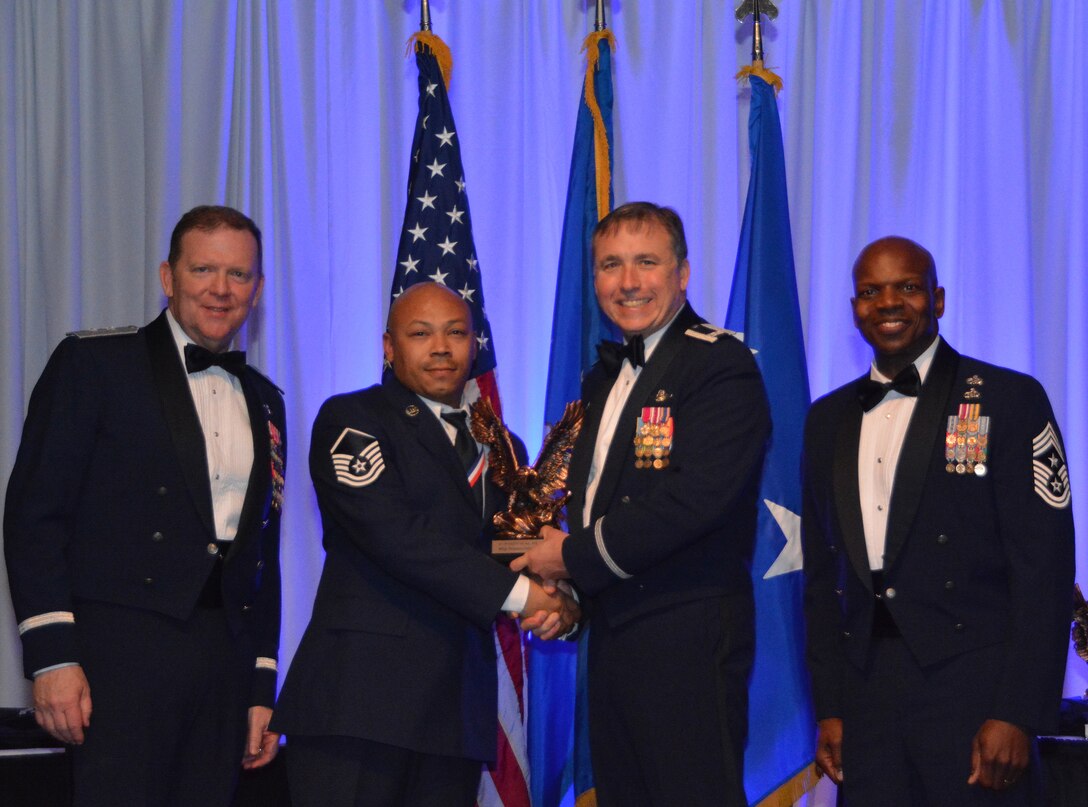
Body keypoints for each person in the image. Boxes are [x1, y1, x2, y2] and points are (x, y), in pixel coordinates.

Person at [4, 205, 286, 806]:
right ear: (167, 277)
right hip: (118, 656)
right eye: (203, 269)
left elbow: (265, 556)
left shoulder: (266, 400)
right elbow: (35, 518)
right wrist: (52, 657)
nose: (220, 289)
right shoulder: (94, 365)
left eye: (238, 275)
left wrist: (261, 682)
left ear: (257, 289)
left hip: (222, 662)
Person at [272, 281, 578, 807]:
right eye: (420, 333)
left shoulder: (504, 446)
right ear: (389, 348)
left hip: (454, 714)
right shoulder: (352, 420)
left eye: (456, 333)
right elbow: (397, 537)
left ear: (473, 345)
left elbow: (512, 549)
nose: (441, 347)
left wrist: (564, 596)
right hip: (360, 707)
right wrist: (529, 599)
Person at [801, 236, 1076, 805]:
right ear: (854, 308)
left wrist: (1018, 713)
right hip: (867, 698)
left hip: (975, 695)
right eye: (870, 292)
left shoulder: (1009, 398)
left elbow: (1044, 569)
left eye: (907, 287)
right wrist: (829, 706)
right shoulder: (825, 419)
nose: (888, 303)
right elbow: (822, 577)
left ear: (939, 299)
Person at [512, 202, 771, 806]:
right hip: (617, 635)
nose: (627, 282)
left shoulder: (720, 364)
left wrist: (571, 558)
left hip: (688, 636)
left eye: (646, 263)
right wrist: (572, 594)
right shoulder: (600, 379)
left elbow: (693, 500)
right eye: (610, 265)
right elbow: (597, 502)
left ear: (682, 274)